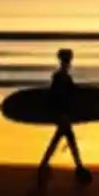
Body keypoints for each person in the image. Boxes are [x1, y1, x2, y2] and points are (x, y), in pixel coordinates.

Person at [38, 47, 92, 183]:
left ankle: (45, 165)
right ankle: (78, 168)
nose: (70, 62)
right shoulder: (60, 77)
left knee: (63, 139)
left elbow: (68, 94)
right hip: (62, 114)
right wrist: (61, 114)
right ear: (65, 61)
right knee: (66, 140)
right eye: (68, 60)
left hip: (64, 114)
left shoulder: (63, 76)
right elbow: (57, 97)